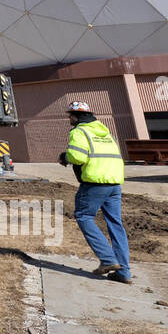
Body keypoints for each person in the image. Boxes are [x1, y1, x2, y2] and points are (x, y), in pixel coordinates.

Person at [59, 101, 131, 284]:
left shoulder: (79, 132)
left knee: (84, 216)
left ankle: (108, 260)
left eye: (70, 115)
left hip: (95, 183)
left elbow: (78, 156)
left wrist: (64, 157)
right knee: (115, 224)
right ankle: (124, 273)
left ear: (76, 117)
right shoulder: (106, 133)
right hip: (114, 183)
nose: (69, 118)